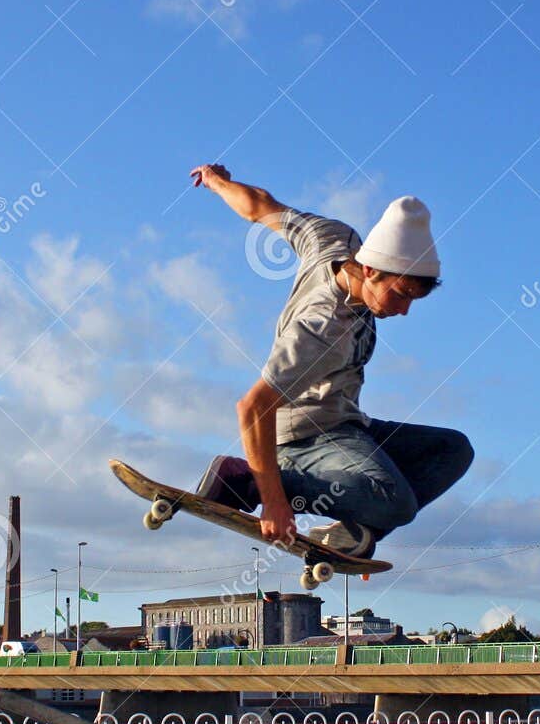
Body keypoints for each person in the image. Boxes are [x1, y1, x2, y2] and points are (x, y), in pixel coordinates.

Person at [189, 162, 473, 559]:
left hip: (346, 424)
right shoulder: (323, 328)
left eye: (413, 300)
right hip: (303, 437)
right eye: (400, 294)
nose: (404, 310)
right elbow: (253, 407)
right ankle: (244, 481)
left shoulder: (334, 239)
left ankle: (354, 530)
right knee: (397, 503)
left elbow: (262, 206)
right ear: (370, 269)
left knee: (453, 449)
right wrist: (272, 501)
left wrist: (218, 183)